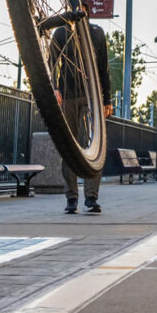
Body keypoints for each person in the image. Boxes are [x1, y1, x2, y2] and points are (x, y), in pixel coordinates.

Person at [63, 23, 115, 214]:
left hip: (91, 96)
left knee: (94, 146)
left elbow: (104, 67)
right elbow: (51, 62)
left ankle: (91, 197)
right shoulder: (61, 32)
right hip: (67, 95)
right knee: (68, 145)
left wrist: (107, 100)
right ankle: (71, 197)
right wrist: (53, 88)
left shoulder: (96, 33)